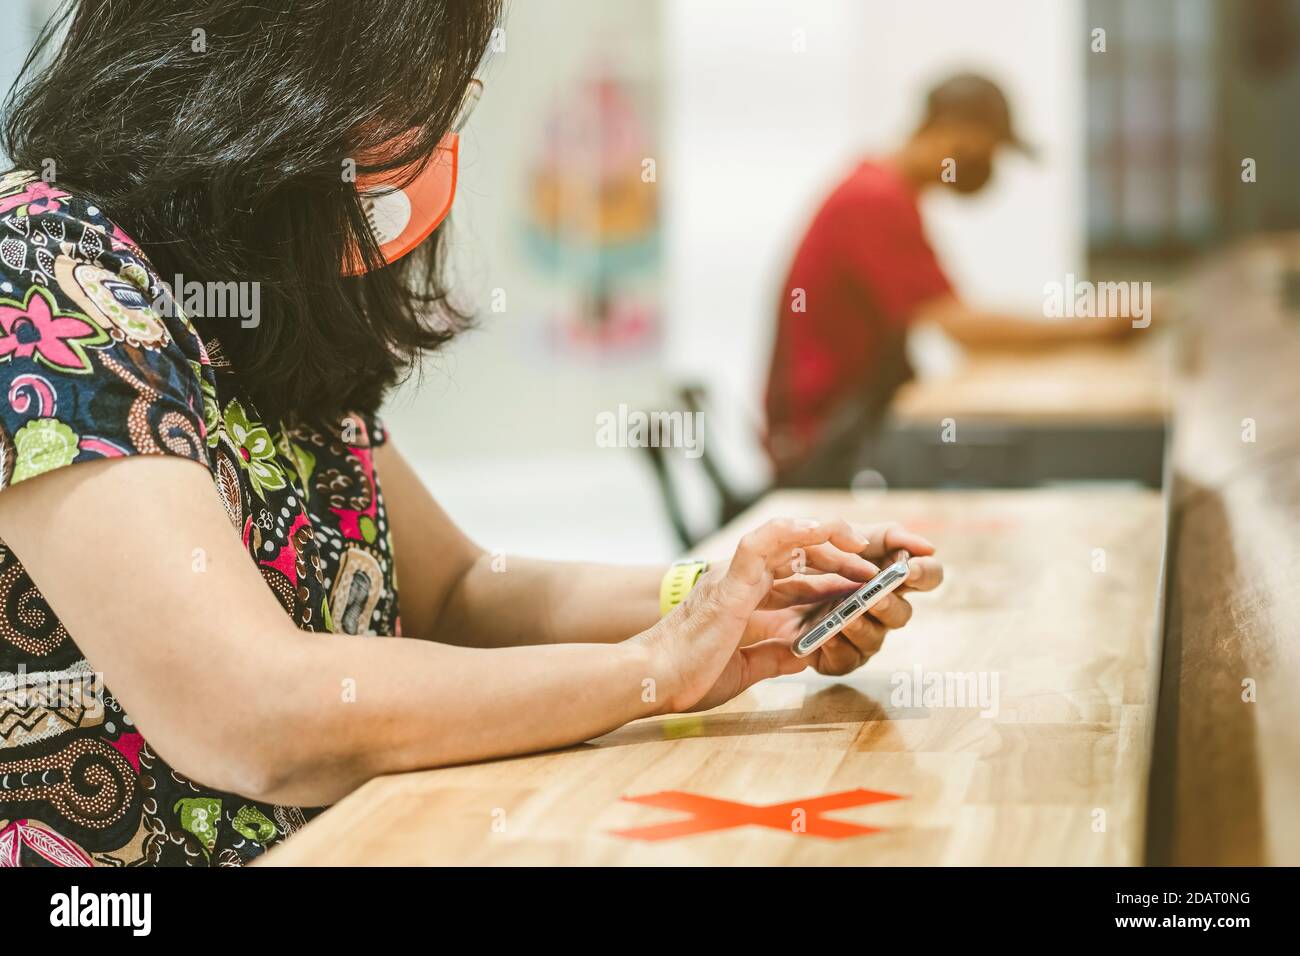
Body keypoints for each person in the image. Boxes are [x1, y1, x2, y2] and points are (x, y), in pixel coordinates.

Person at [0, 1, 942, 866]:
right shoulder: (41, 270)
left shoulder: (249, 292)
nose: (433, 131)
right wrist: (653, 670)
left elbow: (452, 591)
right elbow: (254, 714)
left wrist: (722, 598)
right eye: (407, 89)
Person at [763, 73, 1125, 487]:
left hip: (849, 431)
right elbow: (959, 326)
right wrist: (1091, 328)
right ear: (956, 134)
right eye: (989, 151)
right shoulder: (874, 199)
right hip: (826, 447)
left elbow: (948, 314)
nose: (989, 167)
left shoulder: (885, 191)